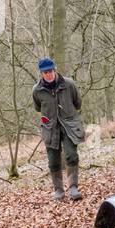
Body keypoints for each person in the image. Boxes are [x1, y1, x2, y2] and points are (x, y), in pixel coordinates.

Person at [31, 57, 85, 201]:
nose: (48, 74)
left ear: (55, 70)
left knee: (71, 156)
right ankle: (59, 190)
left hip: (69, 125)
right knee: (53, 161)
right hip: (50, 128)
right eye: (45, 72)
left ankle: (73, 187)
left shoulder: (69, 84)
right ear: (41, 74)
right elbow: (38, 107)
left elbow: (77, 103)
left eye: (50, 71)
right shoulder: (37, 90)